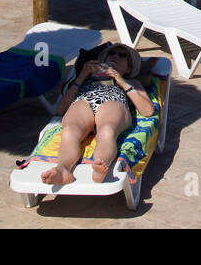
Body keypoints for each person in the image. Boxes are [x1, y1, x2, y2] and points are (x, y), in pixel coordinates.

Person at [41, 44, 155, 184]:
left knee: (106, 130)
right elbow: (61, 109)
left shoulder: (131, 82)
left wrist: (121, 81)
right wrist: (82, 75)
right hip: (85, 100)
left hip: (112, 101)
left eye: (122, 55)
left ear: (128, 69)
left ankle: (100, 167)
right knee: (70, 130)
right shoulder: (86, 78)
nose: (115, 56)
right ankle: (63, 170)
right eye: (112, 53)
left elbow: (148, 110)